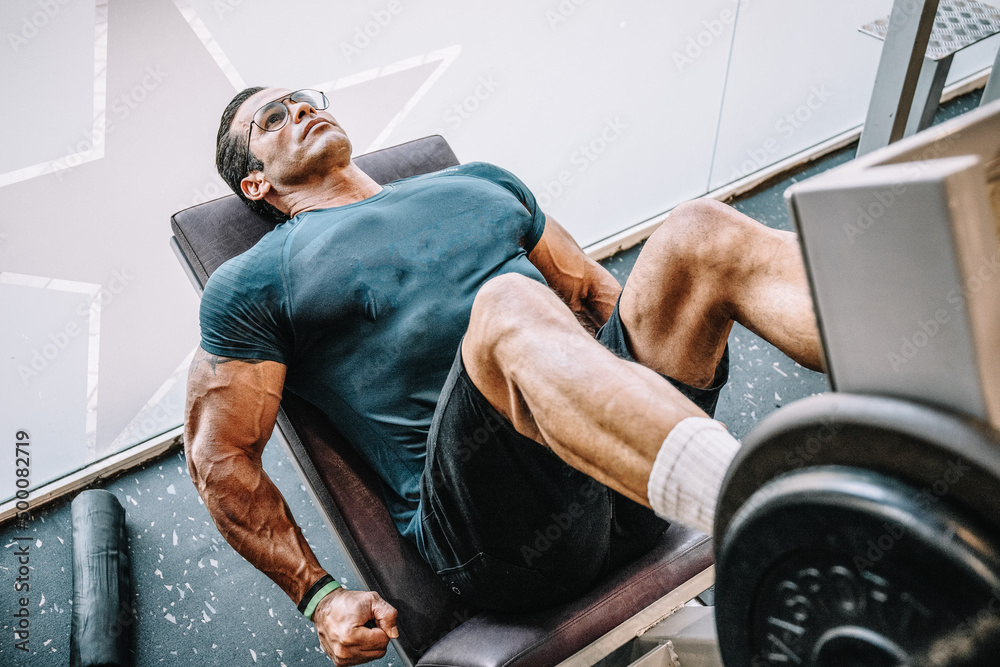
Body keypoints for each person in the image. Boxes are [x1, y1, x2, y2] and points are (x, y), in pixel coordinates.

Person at [184, 86, 823, 666]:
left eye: (303, 97)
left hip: (621, 482)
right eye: (273, 118)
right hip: (512, 540)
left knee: (698, 230)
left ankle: (910, 395)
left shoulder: (479, 183)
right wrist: (319, 597)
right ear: (255, 184)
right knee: (509, 302)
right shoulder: (254, 283)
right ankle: (768, 512)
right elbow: (218, 456)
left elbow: (600, 299)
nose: (300, 109)